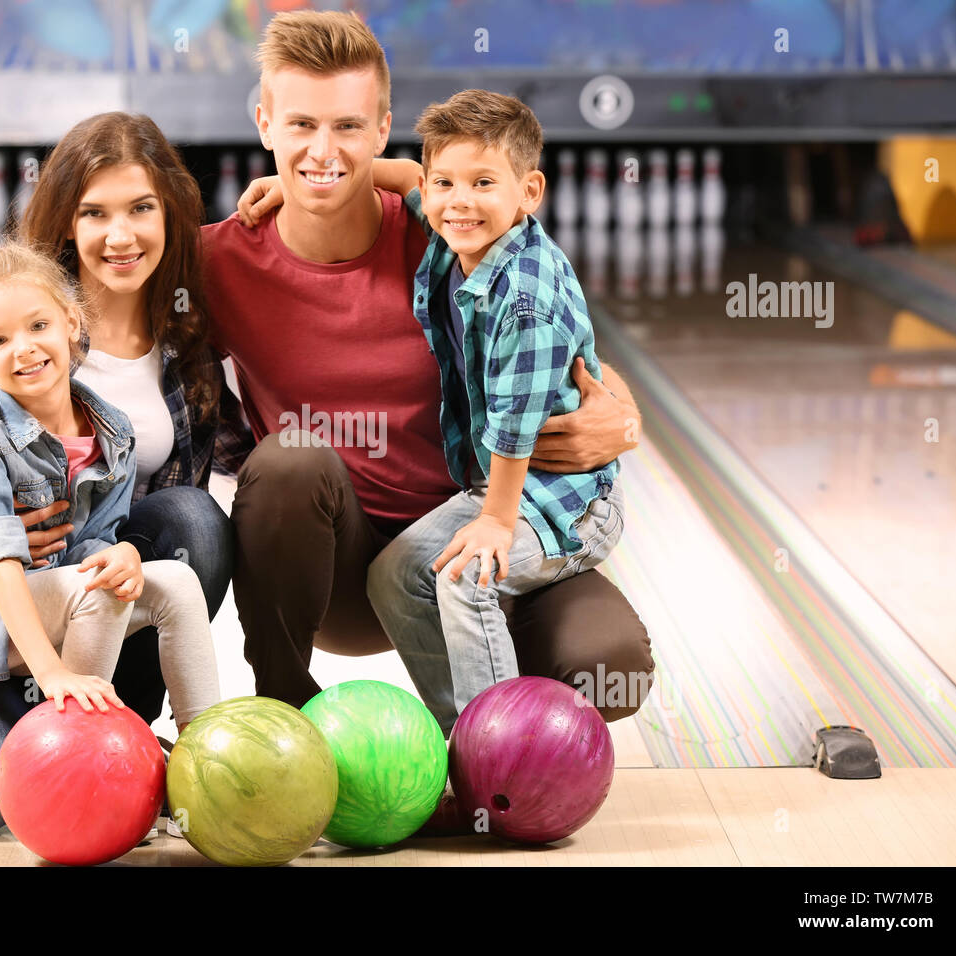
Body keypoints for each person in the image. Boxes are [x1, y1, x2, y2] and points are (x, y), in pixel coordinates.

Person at [208, 10, 652, 718]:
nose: (324, 148)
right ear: (265, 124)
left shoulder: (449, 230)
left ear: (382, 129)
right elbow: (120, 356)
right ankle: (284, 717)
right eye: (301, 126)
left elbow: (552, 347)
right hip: (340, 575)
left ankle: (485, 750)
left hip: (481, 528)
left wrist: (624, 420)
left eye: (348, 127)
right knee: (288, 461)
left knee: (606, 664)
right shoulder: (219, 262)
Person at [0, 112, 234, 837]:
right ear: (67, 220)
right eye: (94, 212)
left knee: (191, 526)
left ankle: (178, 744)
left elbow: (159, 498)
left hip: (77, 588)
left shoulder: (179, 344)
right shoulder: (1, 338)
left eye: (140, 209)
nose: (119, 235)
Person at [363, 90, 623, 734]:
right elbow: (403, 177)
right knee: (395, 575)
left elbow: (515, 422)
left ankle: (507, 747)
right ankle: (463, 738)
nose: (460, 200)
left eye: (484, 183)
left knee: (466, 576)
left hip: (564, 503)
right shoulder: (456, 222)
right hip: (500, 488)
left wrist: (496, 525)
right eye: (445, 183)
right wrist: (288, 182)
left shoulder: (526, 297)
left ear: (529, 191)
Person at [0, 241, 220, 736]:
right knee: (97, 592)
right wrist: (54, 675)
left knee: (170, 581)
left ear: (71, 323)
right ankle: (80, 745)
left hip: (53, 590)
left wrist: (125, 557)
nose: (23, 347)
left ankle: (205, 746)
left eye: (38, 326)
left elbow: (96, 541)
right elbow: (2, 569)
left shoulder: (112, 430)